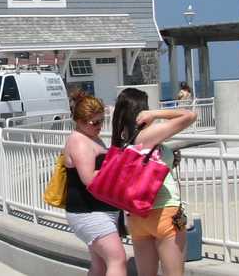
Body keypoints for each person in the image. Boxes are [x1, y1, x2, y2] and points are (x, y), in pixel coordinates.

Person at [112, 88, 197, 276]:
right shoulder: (145, 135)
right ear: (141, 109)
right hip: (164, 211)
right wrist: (155, 114)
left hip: (136, 216)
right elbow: (189, 115)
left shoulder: (122, 140)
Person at [63, 92, 126, 276]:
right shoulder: (79, 142)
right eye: (95, 122)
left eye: (102, 121)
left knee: (100, 265)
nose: (100, 126)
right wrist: (117, 165)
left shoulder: (90, 137)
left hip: (99, 211)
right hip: (88, 212)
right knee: (117, 259)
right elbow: (88, 178)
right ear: (80, 121)